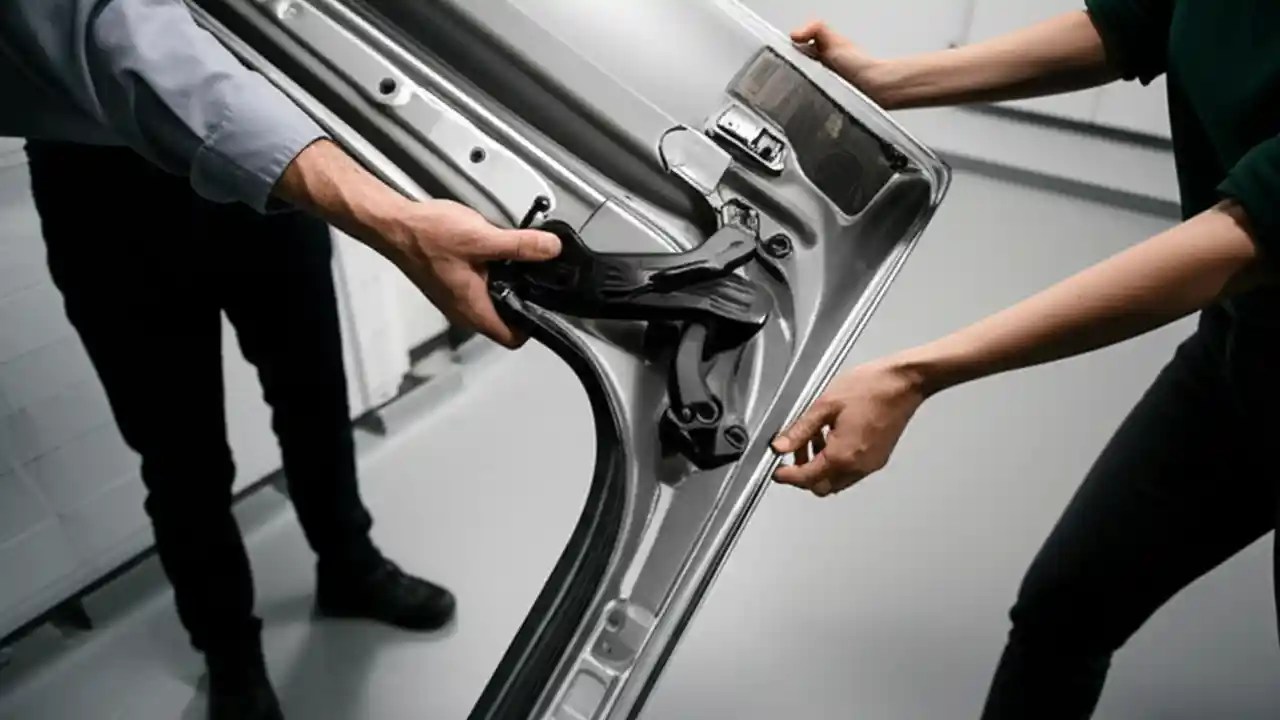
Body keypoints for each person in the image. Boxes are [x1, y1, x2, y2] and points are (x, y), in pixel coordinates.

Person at [1, 2, 560, 720]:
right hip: (103, 189)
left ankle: (349, 566)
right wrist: (393, 219)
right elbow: (112, 29)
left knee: (314, 396)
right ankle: (228, 653)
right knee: (180, 458)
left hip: (263, 165)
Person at [772, 3, 1279, 718]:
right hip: (1246, 346)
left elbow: (1247, 238)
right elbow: (1133, 23)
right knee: (1064, 610)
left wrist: (918, 372)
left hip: (1260, 295)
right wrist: (889, 81)